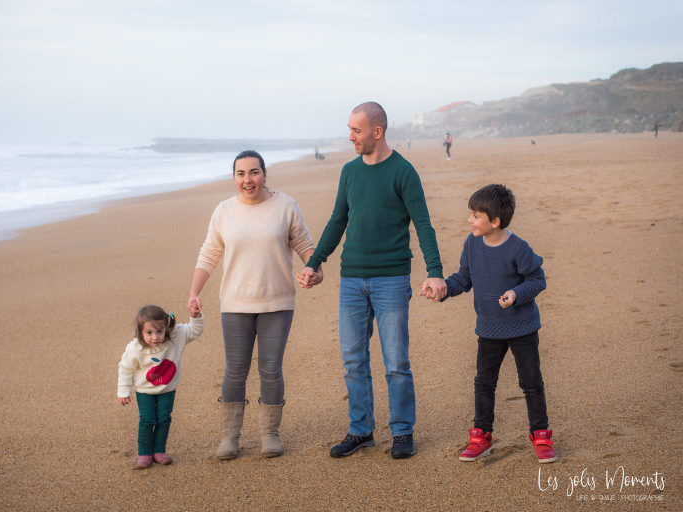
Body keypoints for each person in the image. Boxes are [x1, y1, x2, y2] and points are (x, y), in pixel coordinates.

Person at [296, 102, 446, 459]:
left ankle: (402, 431)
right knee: (353, 360)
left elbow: (422, 224)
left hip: (391, 279)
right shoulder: (349, 172)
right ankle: (361, 430)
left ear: (377, 132)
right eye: (349, 129)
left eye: (356, 130)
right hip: (351, 280)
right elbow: (337, 221)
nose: (350, 136)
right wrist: (315, 262)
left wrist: (436, 271)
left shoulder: (403, 172)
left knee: (395, 361)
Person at [189, 150, 319, 460]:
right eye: (241, 174)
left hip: (278, 302)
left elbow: (305, 244)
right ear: (234, 177)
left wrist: (314, 269)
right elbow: (208, 254)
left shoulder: (285, 205)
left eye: (254, 172)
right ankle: (230, 437)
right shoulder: (223, 211)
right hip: (235, 303)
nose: (248, 180)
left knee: (270, 370)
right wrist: (194, 292)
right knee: (235, 370)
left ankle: (269, 434)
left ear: (264, 173)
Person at [422, 184, 557, 463]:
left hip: (522, 328)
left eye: (475, 215)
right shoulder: (472, 244)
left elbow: (537, 280)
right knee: (484, 383)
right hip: (489, 329)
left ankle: (541, 435)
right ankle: (481, 436)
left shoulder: (518, 248)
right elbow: (464, 279)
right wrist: (444, 289)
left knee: (531, 383)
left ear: (494, 221)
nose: (469, 220)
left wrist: (516, 294)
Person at [117, 304, 204, 469]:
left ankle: (159, 451)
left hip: (167, 389)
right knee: (147, 420)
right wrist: (124, 391)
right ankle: (144, 453)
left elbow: (194, 331)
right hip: (144, 391)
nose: (155, 337)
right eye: (149, 333)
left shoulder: (176, 337)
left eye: (159, 331)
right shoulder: (135, 348)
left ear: (166, 328)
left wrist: (196, 316)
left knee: (164, 419)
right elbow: (125, 368)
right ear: (141, 332)